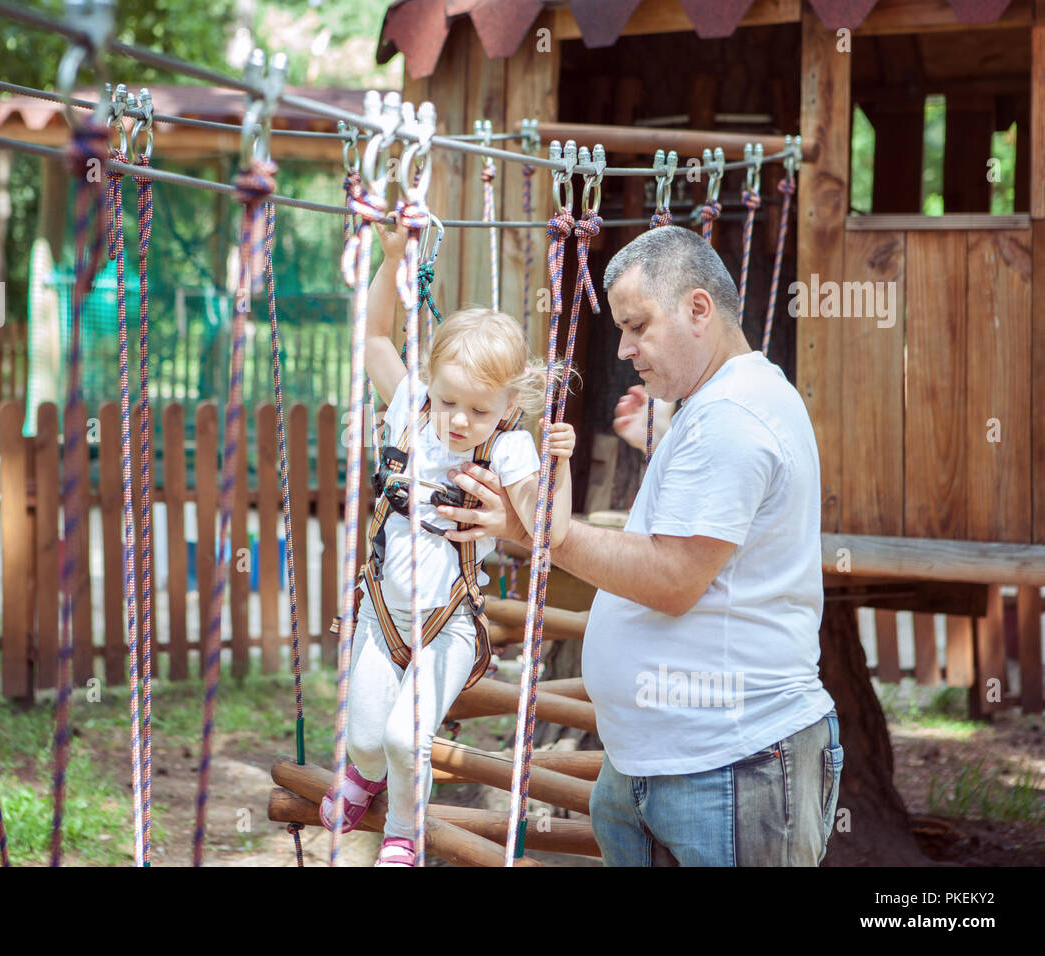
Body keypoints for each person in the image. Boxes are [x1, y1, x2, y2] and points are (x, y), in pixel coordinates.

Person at [433, 224, 843, 866]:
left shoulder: (732, 416)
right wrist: (657, 441)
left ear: (698, 309)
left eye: (636, 325)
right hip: (673, 759)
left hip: (731, 765)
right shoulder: (714, 404)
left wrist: (539, 532)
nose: (622, 347)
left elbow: (672, 580)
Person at [319, 221, 576, 867]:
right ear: (429, 382)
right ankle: (364, 776)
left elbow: (549, 531)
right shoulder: (411, 407)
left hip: (448, 624)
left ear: (509, 407)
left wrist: (560, 464)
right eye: (448, 400)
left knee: (408, 741)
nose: (459, 420)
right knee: (368, 736)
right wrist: (392, 258)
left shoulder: (510, 447)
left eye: (480, 410)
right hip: (383, 615)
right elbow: (376, 336)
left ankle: (404, 826)